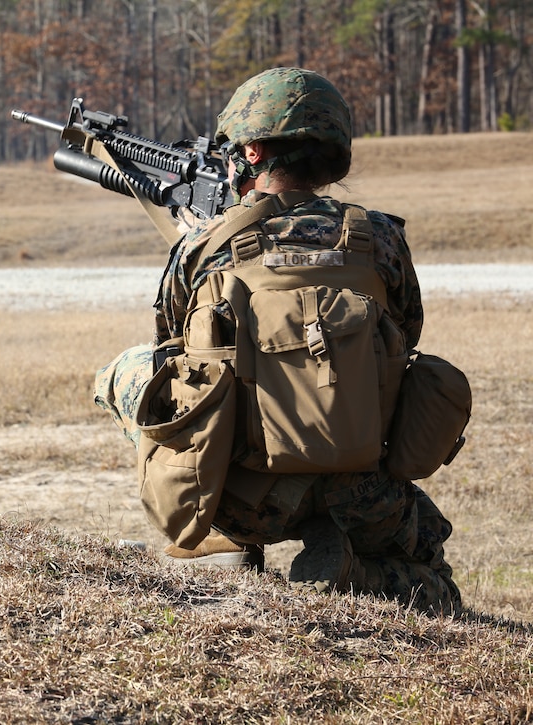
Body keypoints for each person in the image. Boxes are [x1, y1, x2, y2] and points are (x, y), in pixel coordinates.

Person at [94, 67, 461, 615]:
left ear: (254, 150)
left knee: (132, 370)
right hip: (362, 494)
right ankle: (352, 571)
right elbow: (405, 338)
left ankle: (222, 546)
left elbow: (175, 352)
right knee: (441, 591)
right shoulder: (381, 238)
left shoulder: (205, 244)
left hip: (243, 496)